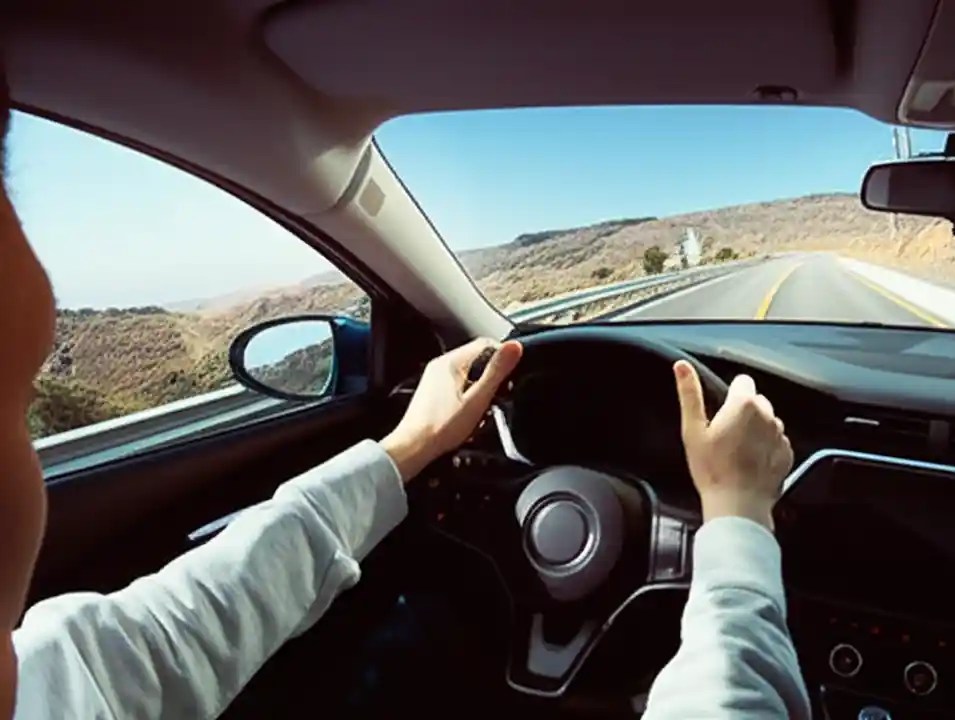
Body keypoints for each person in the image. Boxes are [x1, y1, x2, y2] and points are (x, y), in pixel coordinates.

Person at [0, 66, 808, 718]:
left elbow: (205, 610)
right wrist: (737, 522)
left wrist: (410, 447)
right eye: (16, 403)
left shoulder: (46, 682)